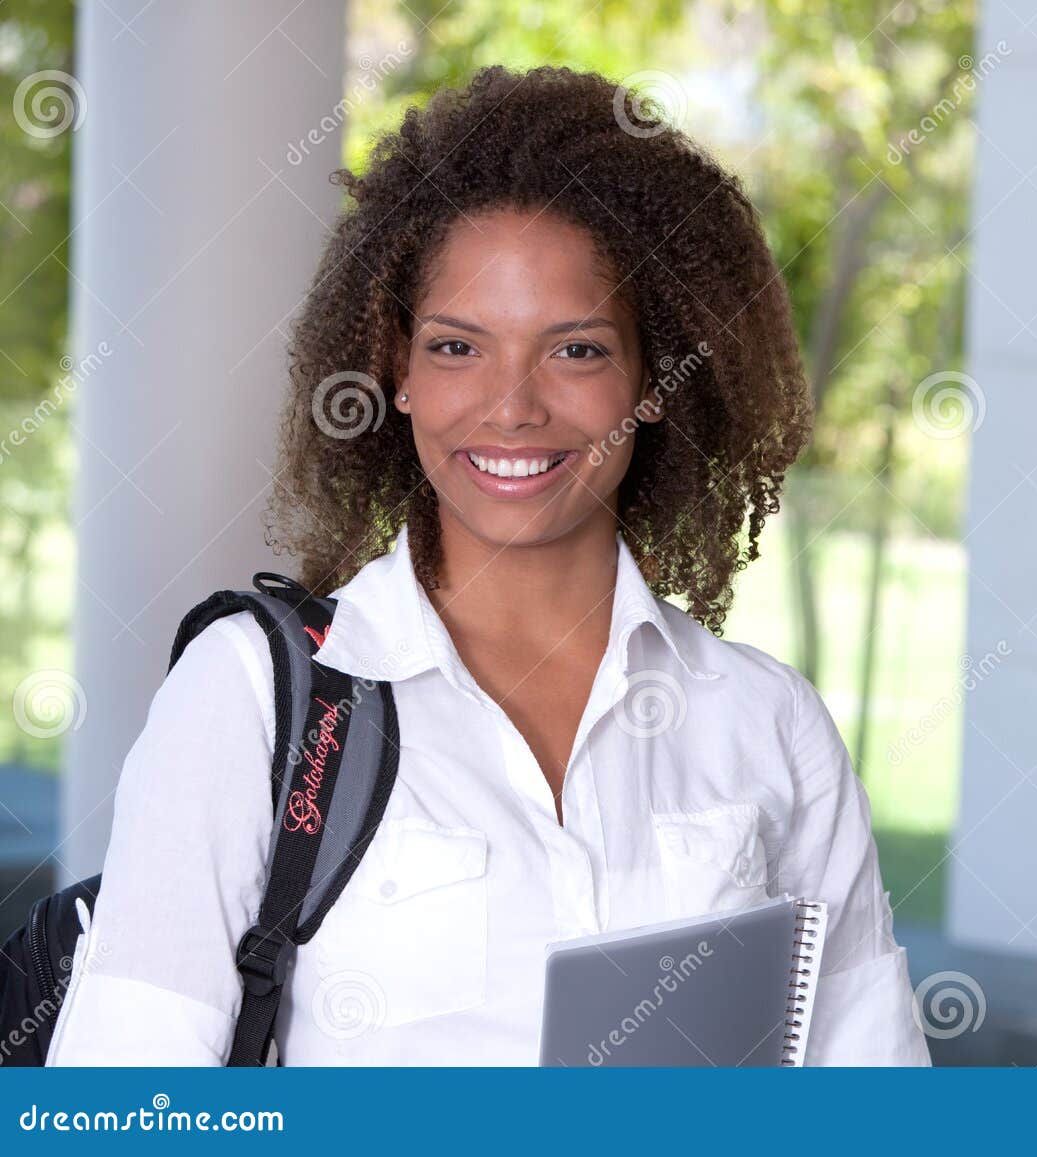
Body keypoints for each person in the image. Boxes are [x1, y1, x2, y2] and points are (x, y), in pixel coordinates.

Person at [46, 64, 930, 1066]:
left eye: (578, 351)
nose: (512, 406)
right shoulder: (251, 701)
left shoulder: (765, 724)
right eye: (459, 346)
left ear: (653, 377)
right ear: (398, 370)